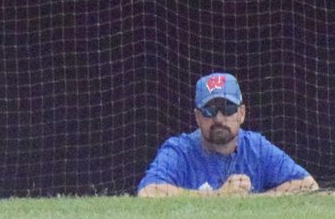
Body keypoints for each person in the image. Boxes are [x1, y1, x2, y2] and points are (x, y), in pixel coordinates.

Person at [137, 72, 319, 197]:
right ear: (197, 117)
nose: (218, 118)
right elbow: (148, 192)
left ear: (242, 113)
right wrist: (217, 196)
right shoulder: (178, 150)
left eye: (227, 108)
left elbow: (308, 185)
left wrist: (253, 202)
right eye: (209, 110)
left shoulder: (257, 146)